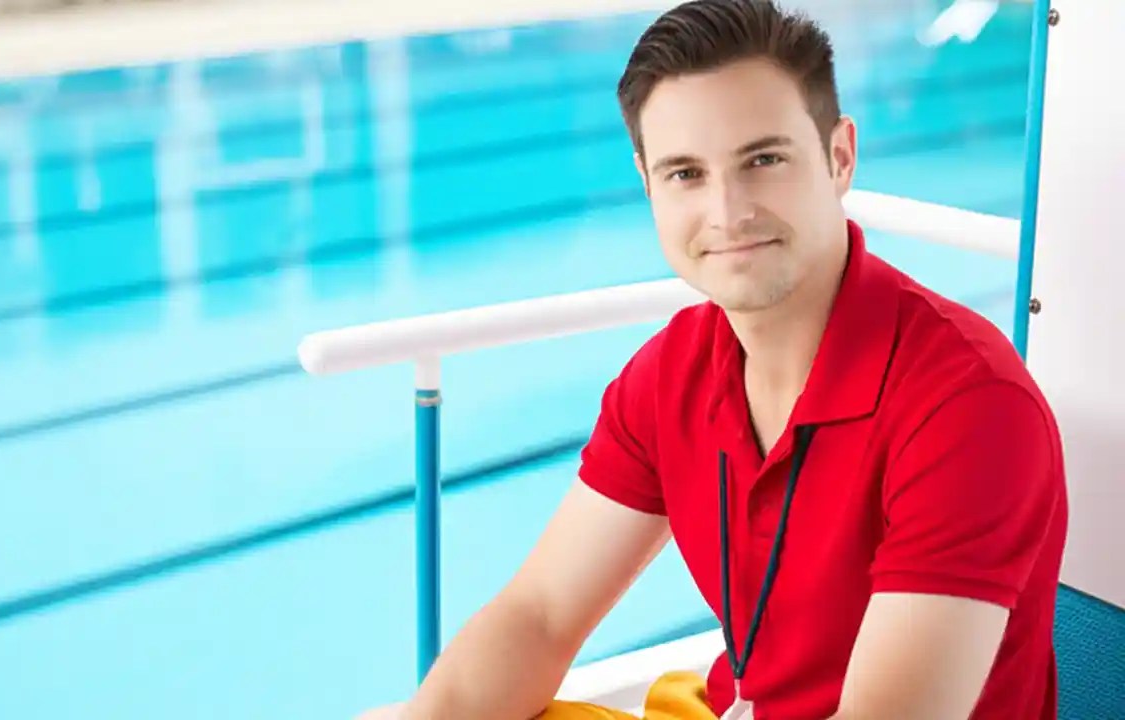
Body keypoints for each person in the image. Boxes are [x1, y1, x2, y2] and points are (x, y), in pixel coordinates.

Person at [360, 0, 1068, 717]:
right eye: (686, 174)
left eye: (763, 160)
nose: (728, 212)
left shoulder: (968, 409)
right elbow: (539, 615)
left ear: (839, 156)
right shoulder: (671, 373)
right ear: (646, 182)